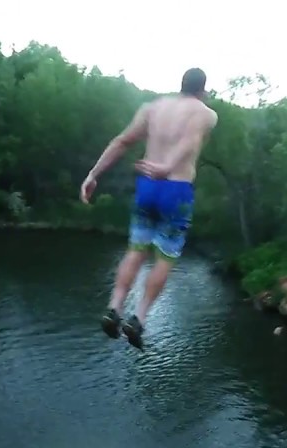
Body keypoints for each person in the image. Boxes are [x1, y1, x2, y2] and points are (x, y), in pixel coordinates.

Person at [80, 67, 219, 348]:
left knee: (136, 251)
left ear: (180, 85)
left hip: (147, 188)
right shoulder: (205, 113)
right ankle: (139, 317)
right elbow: (190, 141)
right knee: (164, 258)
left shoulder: (153, 107)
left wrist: (93, 174)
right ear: (202, 90)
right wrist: (168, 167)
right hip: (176, 189)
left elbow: (122, 141)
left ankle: (115, 307)